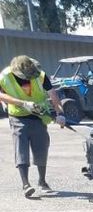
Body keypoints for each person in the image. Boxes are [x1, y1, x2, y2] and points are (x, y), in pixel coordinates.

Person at [0, 55, 66, 198]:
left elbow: (53, 95)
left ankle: (42, 181)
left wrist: (60, 113)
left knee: (41, 147)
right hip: (18, 116)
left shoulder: (40, 75)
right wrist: (22, 103)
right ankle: (26, 185)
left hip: (39, 116)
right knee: (21, 148)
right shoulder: (5, 76)